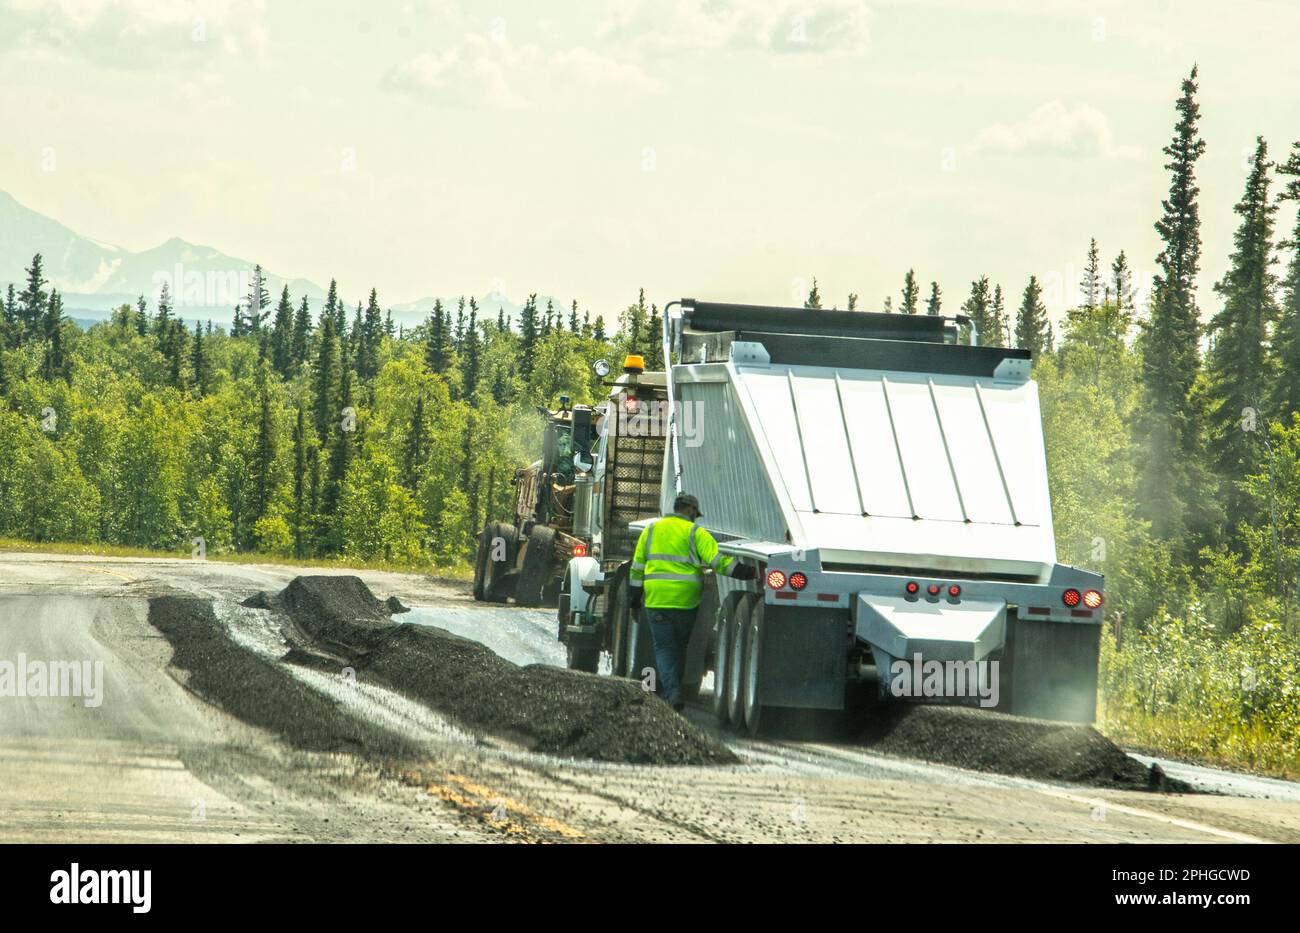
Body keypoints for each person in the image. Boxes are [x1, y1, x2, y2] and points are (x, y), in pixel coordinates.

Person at [627, 493, 756, 710]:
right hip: (686, 602)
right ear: (689, 510)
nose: (696, 516)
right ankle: (674, 691)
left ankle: (673, 692)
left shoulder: (651, 531)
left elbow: (637, 568)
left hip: (657, 600)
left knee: (664, 648)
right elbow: (718, 562)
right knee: (679, 648)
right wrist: (748, 572)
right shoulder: (696, 532)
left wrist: (634, 601)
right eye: (695, 512)